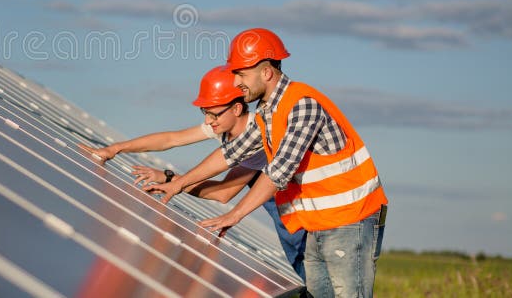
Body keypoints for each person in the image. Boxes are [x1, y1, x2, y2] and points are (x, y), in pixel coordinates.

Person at [148, 29, 388, 298]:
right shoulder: (267, 114)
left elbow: (278, 173)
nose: (236, 82)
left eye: (241, 74)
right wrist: (178, 183)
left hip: (351, 220)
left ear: (266, 73)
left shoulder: (302, 106)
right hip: (320, 223)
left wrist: (234, 215)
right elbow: (230, 154)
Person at [78, 65, 307, 282]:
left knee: (313, 274)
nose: (208, 121)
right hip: (284, 215)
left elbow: (222, 193)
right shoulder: (224, 125)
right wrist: (115, 149)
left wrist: (170, 179)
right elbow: (171, 139)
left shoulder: (256, 138)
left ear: (237, 109)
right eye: (205, 112)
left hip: (301, 217)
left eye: (213, 114)